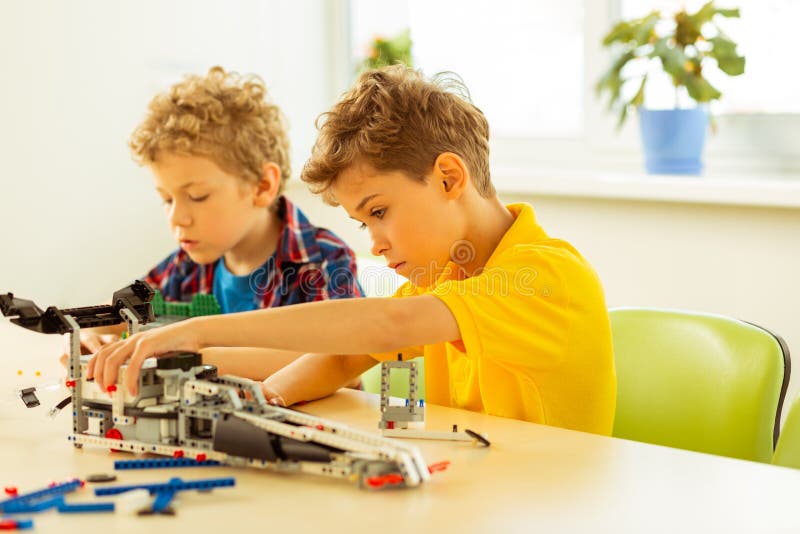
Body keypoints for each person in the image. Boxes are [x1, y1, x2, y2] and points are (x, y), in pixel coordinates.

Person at [88, 66, 616, 435]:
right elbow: (343, 355)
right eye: (364, 223)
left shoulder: (543, 276)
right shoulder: (447, 283)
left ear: (449, 177)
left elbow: (387, 325)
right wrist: (261, 399)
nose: (375, 243)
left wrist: (198, 333)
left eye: (379, 211)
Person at [63, 66, 363, 380]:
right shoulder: (186, 265)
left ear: (262, 186)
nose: (177, 217)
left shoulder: (322, 259)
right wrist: (89, 334)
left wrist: (190, 355)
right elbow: (118, 312)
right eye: (167, 199)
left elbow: (345, 362)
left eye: (197, 196)